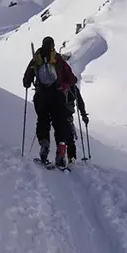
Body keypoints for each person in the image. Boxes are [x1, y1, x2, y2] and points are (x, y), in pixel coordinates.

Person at [23, 36, 77, 167]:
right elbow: (72, 79)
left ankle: (44, 144)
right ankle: (61, 148)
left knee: (42, 120)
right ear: (53, 45)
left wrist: (29, 82)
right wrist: (64, 85)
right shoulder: (58, 59)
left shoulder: (36, 59)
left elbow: (26, 81)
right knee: (60, 123)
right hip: (57, 95)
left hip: (41, 96)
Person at [65, 84, 89, 163]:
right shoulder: (72, 87)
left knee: (60, 135)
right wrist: (84, 115)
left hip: (55, 112)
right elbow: (80, 102)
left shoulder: (55, 83)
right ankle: (71, 157)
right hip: (68, 113)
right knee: (69, 136)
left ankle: (60, 155)